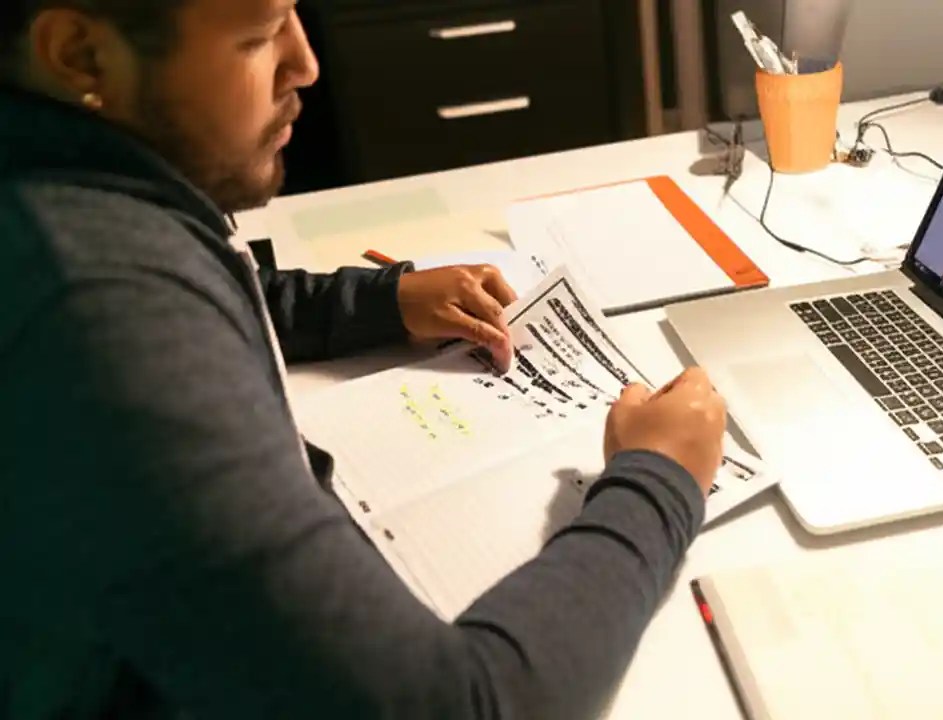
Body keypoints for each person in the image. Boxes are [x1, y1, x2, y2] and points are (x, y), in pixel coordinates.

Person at [0, 1, 727, 717]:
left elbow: (207, 271)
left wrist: (379, 300)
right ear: (83, 56)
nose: (304, 64)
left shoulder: (72, 181)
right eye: (258, 37)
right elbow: (466, 707)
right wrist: (661, 480)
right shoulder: (98, 311)